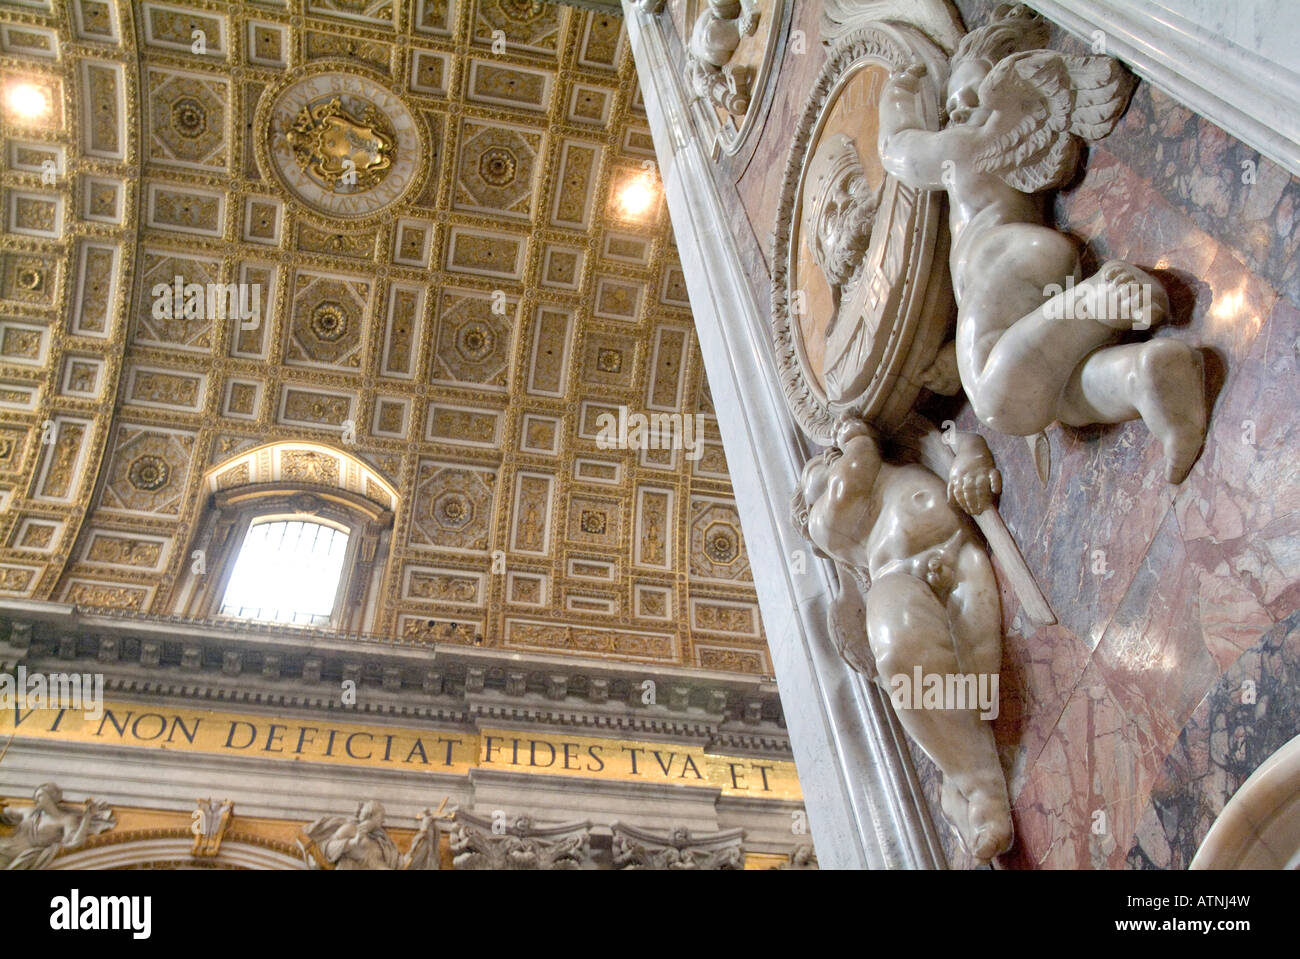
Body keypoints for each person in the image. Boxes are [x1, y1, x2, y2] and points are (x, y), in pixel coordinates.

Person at [878, 2, 1206, 482]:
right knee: (1061, 393)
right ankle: (1146, 374)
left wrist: (896, 98)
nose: (954, 114)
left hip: (1004, 257)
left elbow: (898, 151)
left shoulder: (968, 145)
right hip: (1027, 264)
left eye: (965, 99)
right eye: (949, 109)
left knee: (997, 400)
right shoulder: (981, 147)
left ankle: (1098, 300)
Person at [791, 415, 1012, 860]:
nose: (825, 468)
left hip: (960, 560)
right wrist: (852, 434)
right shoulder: (827, 517)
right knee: (899, 657)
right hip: (902, 584)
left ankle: (957, 780)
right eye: (817, 474)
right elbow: (854, 469)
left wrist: (970, 457)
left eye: (825, 463)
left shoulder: (895, 458)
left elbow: (955, 445)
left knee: (970, 684)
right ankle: (984, 789)